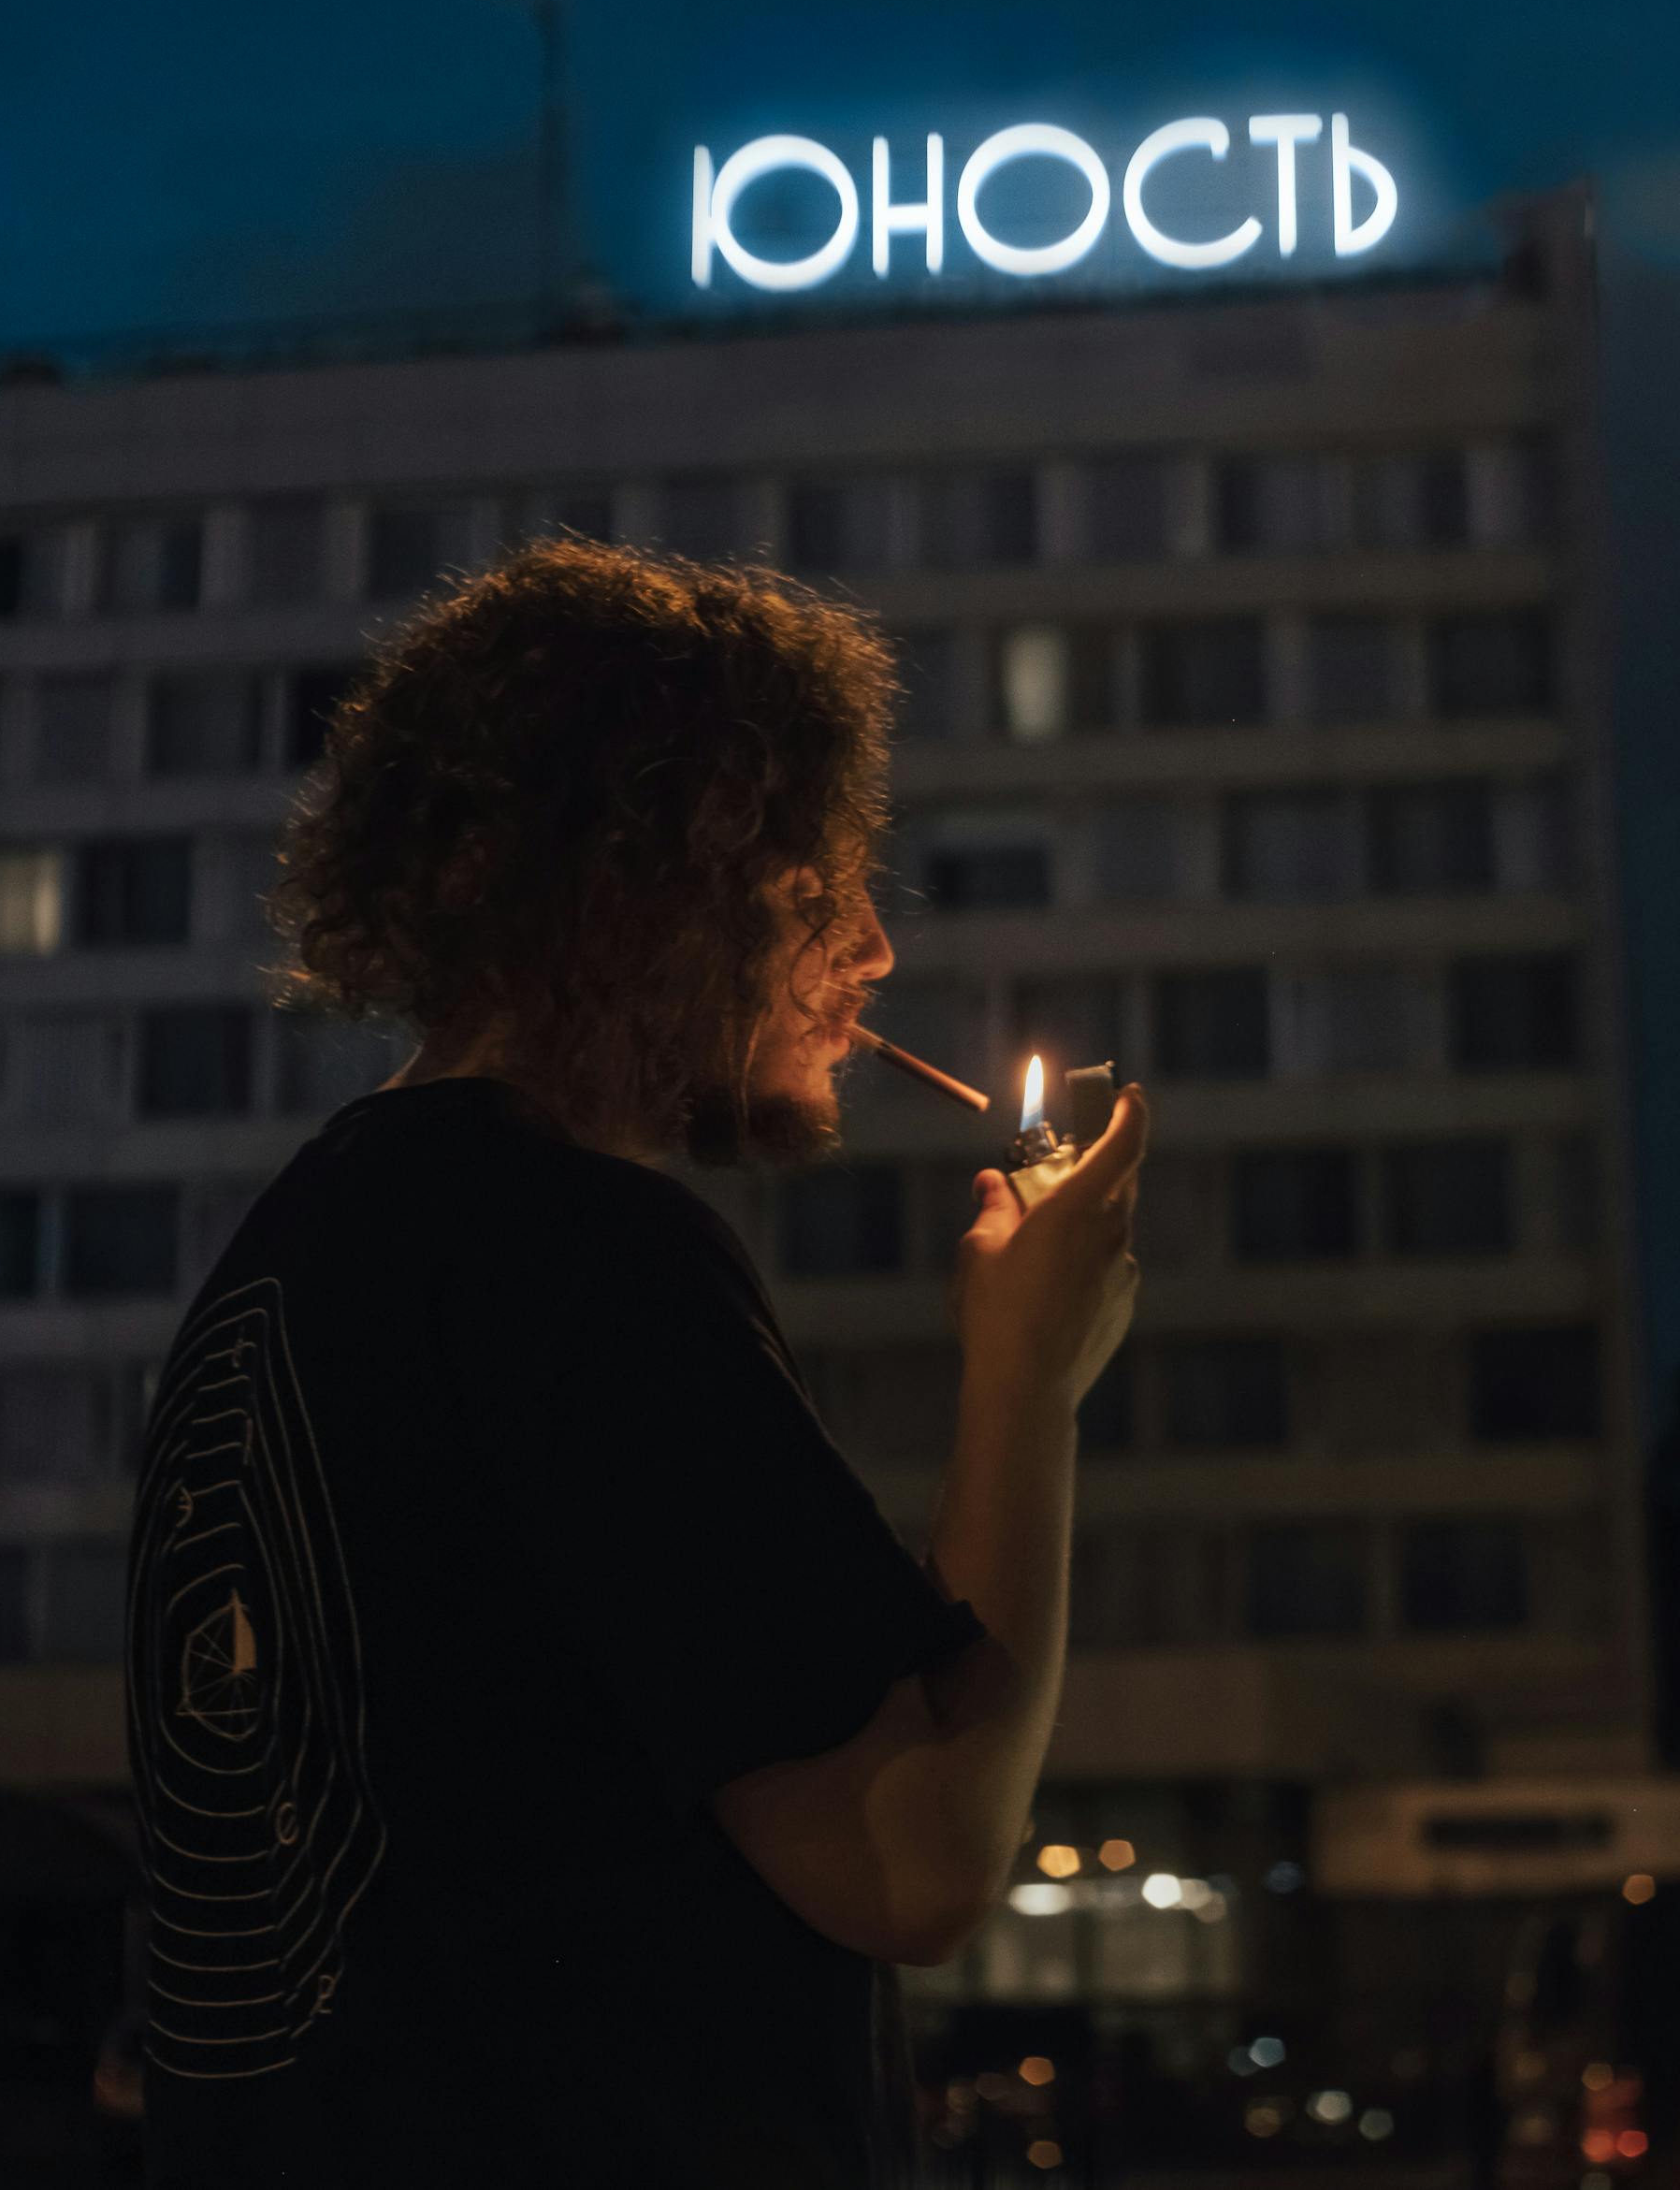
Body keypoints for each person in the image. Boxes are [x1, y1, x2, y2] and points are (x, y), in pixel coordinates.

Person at [123, 537, 1147, 2189]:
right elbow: (918, 1864)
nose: (874, 951)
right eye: (816, 887)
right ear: (647, 896)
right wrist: (1027, 1387)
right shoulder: (569, 1247)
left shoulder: (293, 1260)